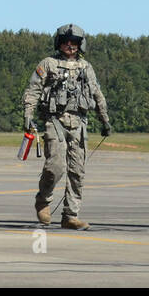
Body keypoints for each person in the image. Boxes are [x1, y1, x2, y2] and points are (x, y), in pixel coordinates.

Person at [23, 23, 112, 231]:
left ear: (81, 45)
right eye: (66, 42)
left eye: (75, 42)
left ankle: (70, 215)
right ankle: (43, 201)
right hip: (55, 121)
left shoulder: (86, 67)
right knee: (56, 166)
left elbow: (97, 93)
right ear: (59, 43)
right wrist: (28, 115)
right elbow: (33, 90)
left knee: (77, 171)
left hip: (79, 124)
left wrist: (104, 119)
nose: (70, 46)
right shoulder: (48, 64)